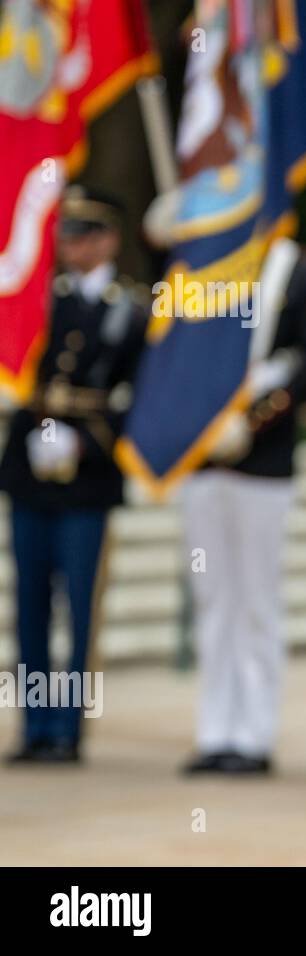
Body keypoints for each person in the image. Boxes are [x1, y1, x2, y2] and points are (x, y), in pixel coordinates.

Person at [179, 240, 306, 775]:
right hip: (202, 462)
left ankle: (253, 734)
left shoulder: (298, 270)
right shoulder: (201, 263)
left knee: (254, 600)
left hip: (263, 464)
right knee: (213, 599)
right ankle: (216, 728)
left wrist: (254, 419)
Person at [0, 186, 149, 764]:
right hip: (30, 469)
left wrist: (85, 440)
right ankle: (34, 725)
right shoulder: (35, 300)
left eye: (83, 235)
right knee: (30, 606)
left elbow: (140, 396)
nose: (69, 245)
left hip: (88, 476)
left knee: (79, 608)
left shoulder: (130, 309)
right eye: (66, 235)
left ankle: (68, 728)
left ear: (108, 240)